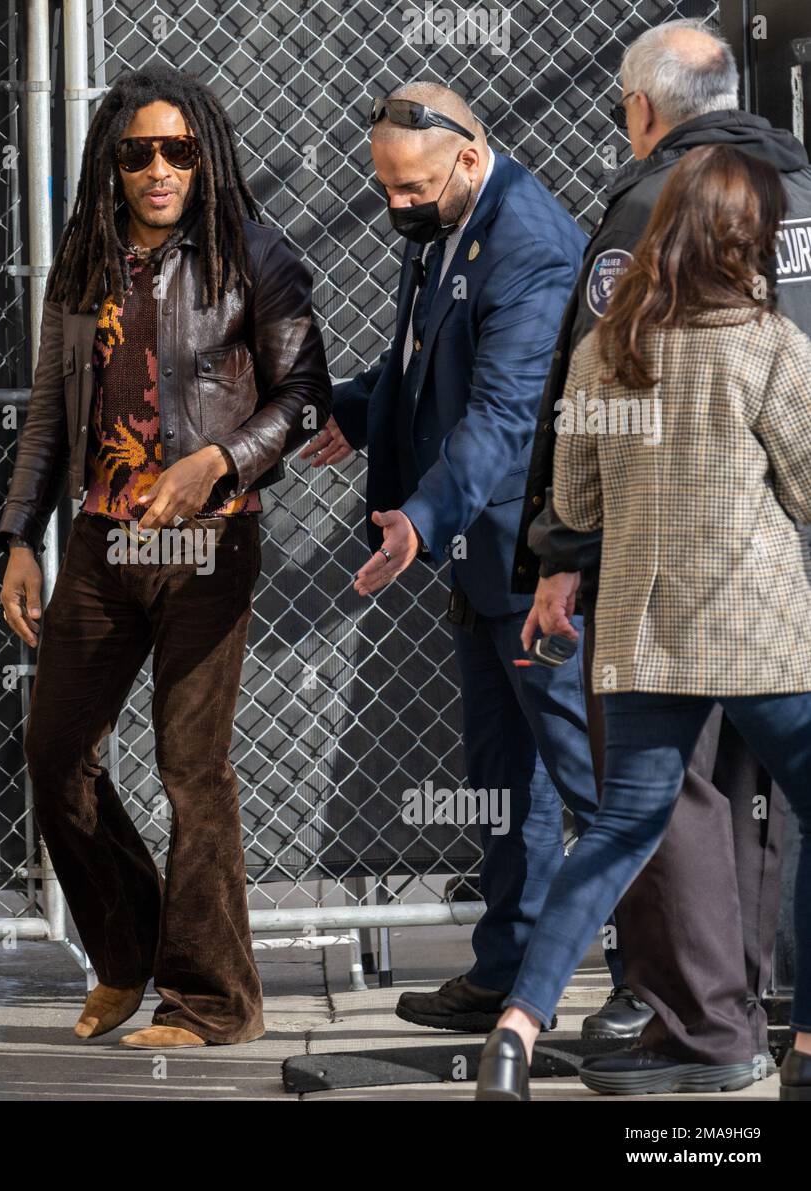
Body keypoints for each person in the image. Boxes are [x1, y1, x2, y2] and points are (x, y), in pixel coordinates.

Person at [0, 64, 330, 1047]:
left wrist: (220, 462)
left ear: (205, 157)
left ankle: (213, 1001)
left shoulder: (252, 256)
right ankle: (124, 956)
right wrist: (21, 535)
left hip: (207, 543)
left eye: (177, 150)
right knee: (55, 752)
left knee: (192, 768)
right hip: (101, 543)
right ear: (112, 161)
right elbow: (52, 414)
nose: (157, 169)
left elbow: (306, 395)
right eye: (137, 152)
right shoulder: (86, 260)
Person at [478, 144, 811, 1103]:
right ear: (747, 245)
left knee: (619, 829)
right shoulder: (767, 345)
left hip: (643, 634)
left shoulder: (605, 350)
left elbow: (574, 505)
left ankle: (517, 1027)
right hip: (758, 632)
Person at [303, 82, 603, 1033]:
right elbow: (414, 365)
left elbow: (507, 418)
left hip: (533, 564)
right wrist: (344, 413)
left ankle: (652, 986)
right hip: (484, 566)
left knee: (593, 780)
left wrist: (422, 518)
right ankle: (506, 969)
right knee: (499, 778)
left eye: (413, 187)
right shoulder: (447, 228)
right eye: (386, 187)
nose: (397, 205)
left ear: (470, 157)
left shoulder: (531, 246)